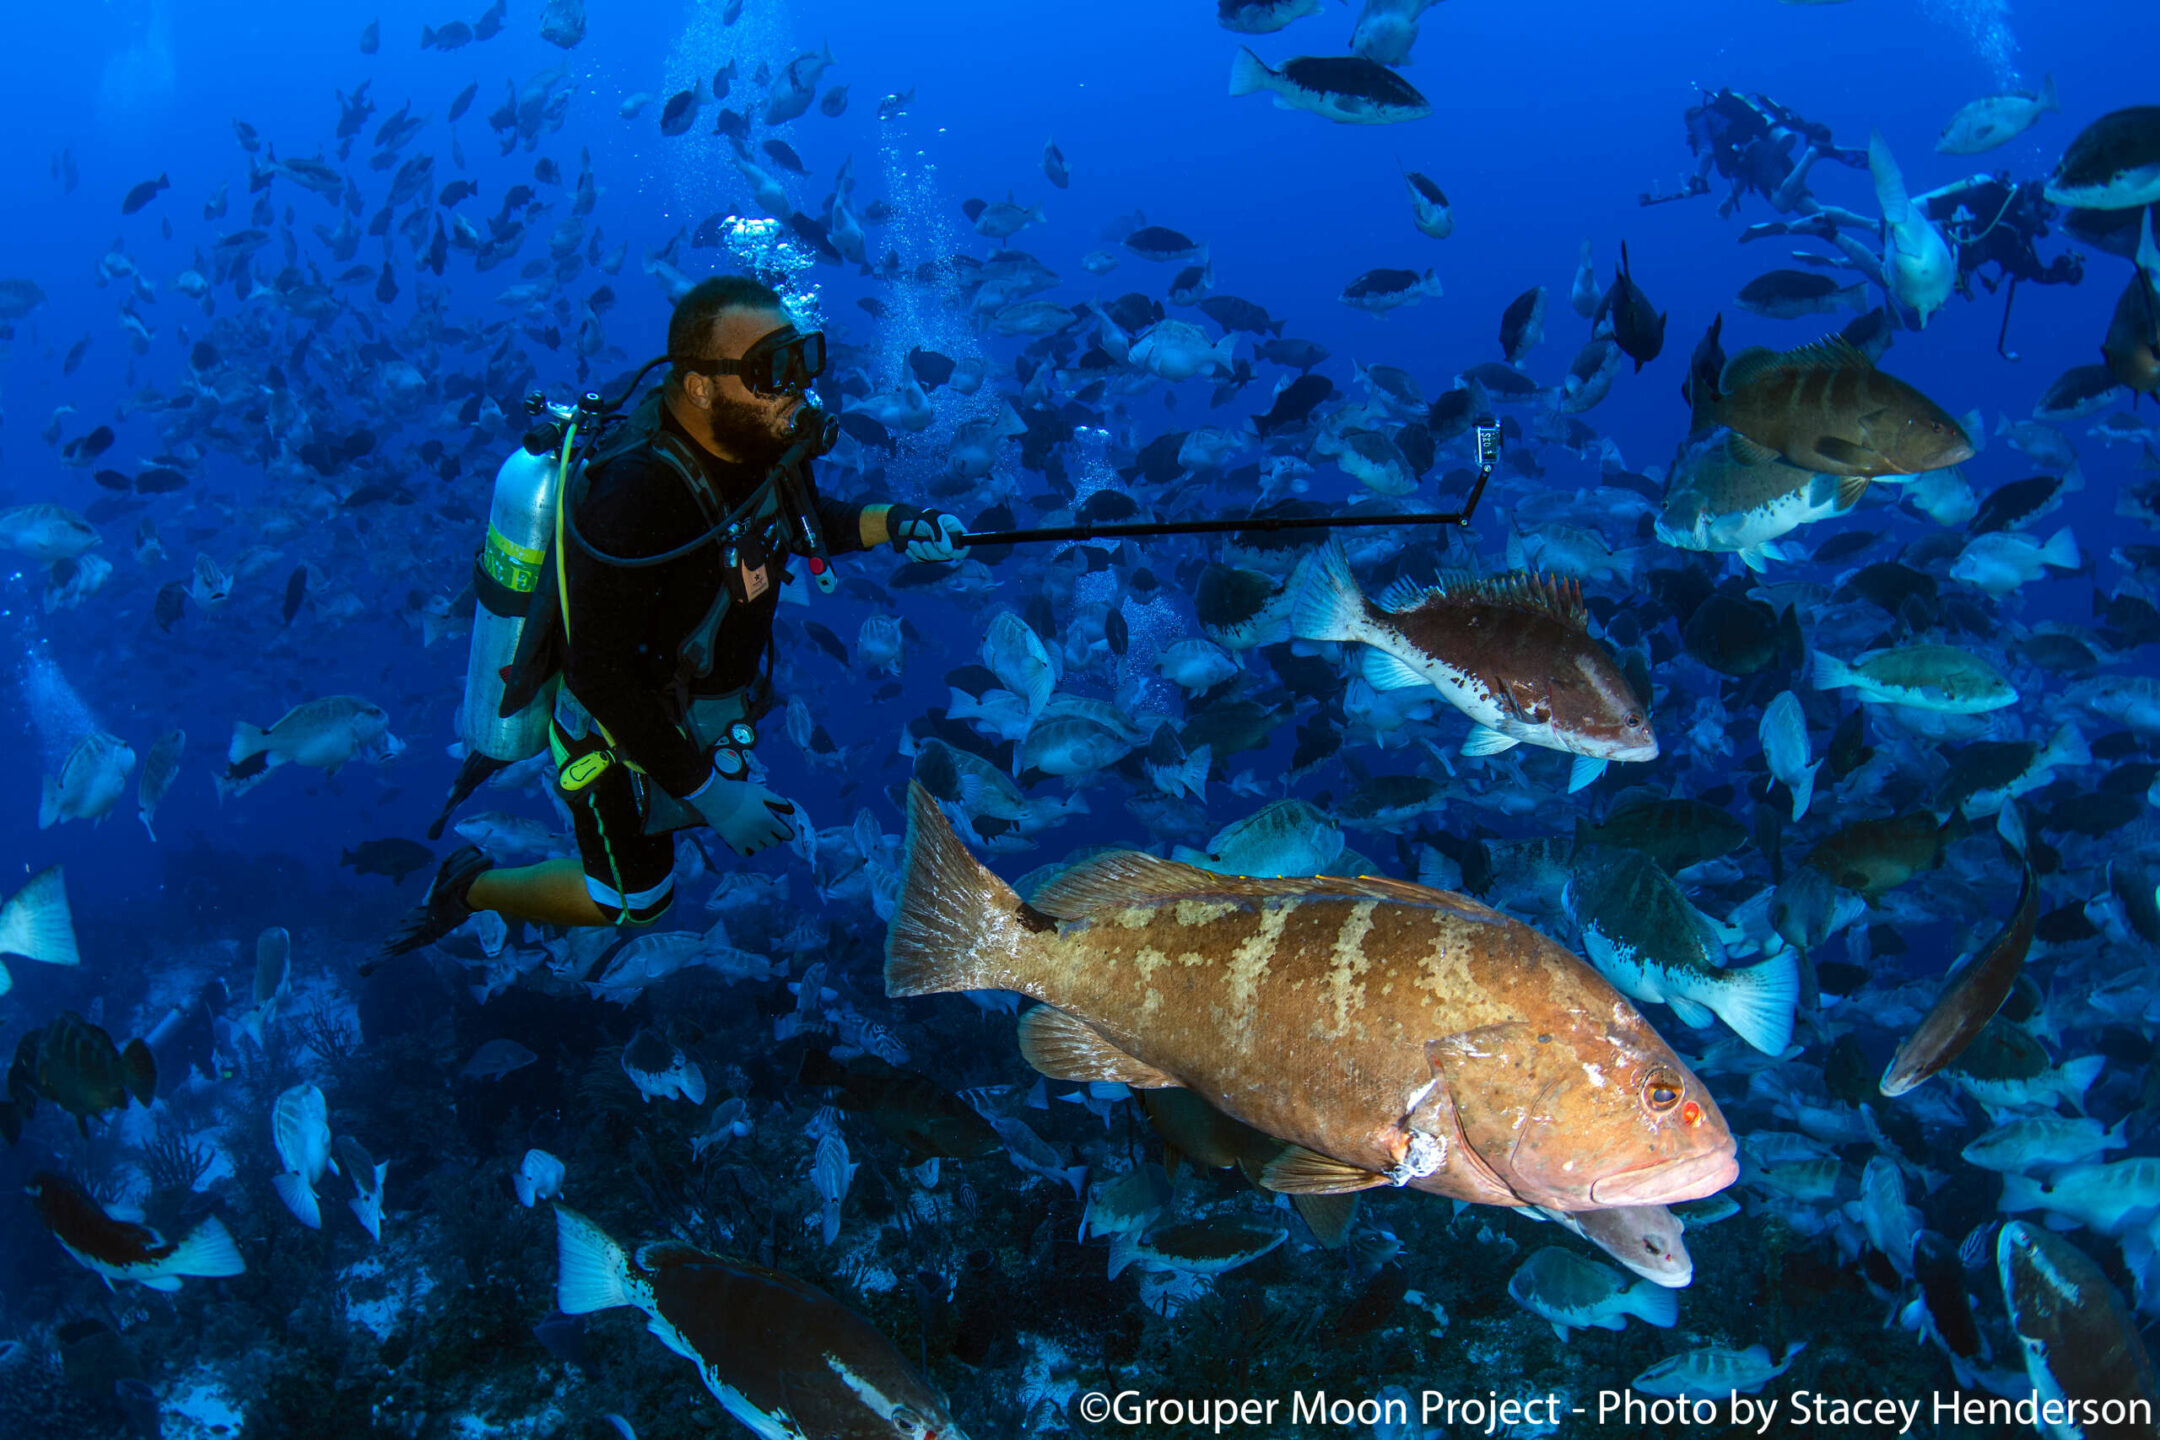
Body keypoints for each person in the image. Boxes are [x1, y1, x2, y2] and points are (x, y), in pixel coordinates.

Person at [378, 276, 970, 958]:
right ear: (699, 387)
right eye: (770, 369)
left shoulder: (759, 442)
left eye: (802, 359)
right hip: (615, 727)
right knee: (635, 902)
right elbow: (598, 675)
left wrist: (899, 522)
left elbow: (806, 520)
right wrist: (716, 798)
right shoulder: (635, 495)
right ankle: (470, 887)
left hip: (695, 711)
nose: (795, 387)